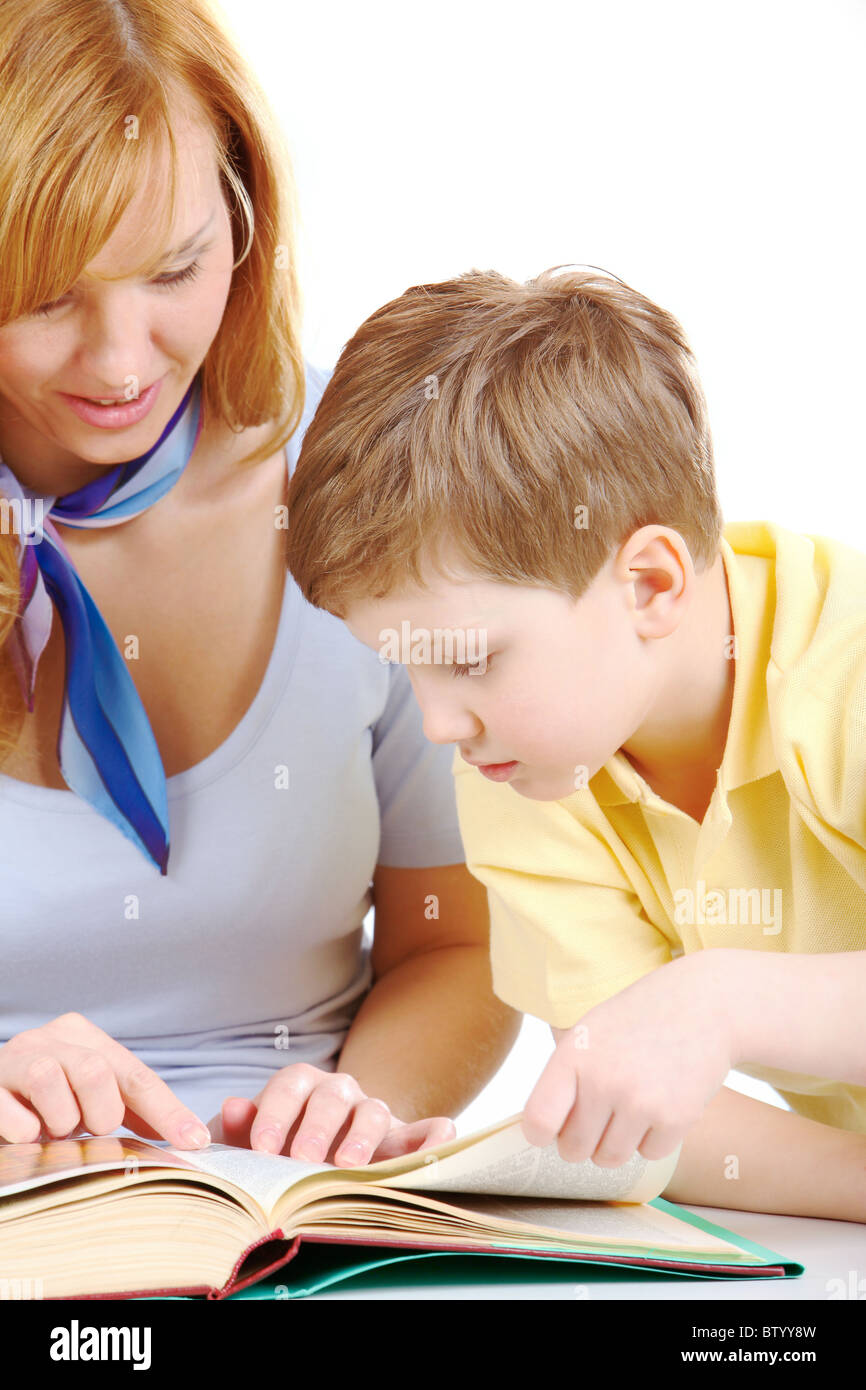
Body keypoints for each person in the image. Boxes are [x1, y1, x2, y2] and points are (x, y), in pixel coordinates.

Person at [0, 0, 520, 1165]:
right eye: (44, 297)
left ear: (244, 212)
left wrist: (357, 1113)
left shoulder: (370, 477)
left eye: (174, 268)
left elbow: (460, 938)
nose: (124, 362)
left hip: (287, 1219)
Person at [283, 264, 866, 1222]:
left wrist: (724, 999)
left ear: (649, 584)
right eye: (409, 668)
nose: (436, 725)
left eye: (471, 662)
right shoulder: (531, 772)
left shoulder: (838, 681)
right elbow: (656, 1124)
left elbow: (690, 1039)